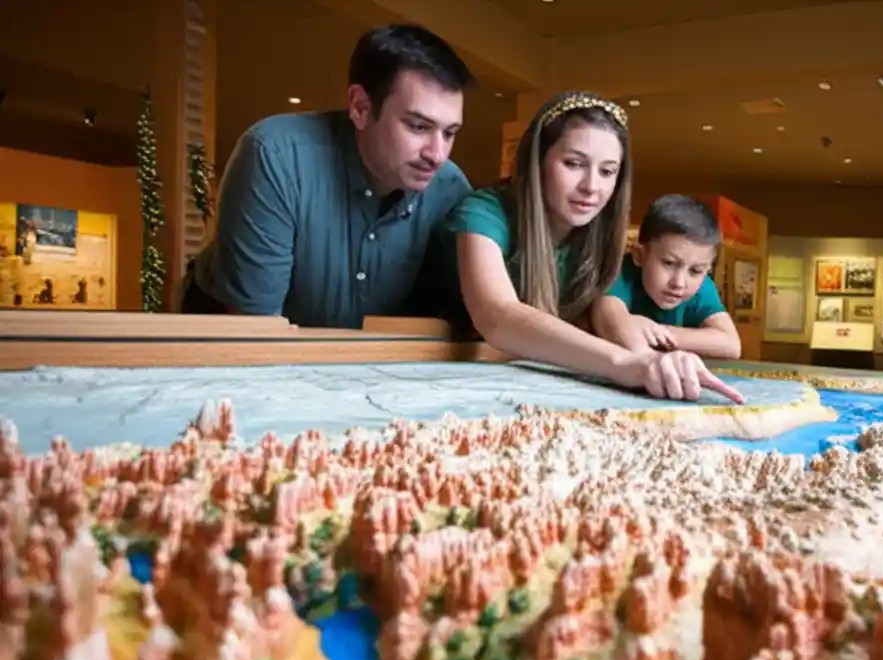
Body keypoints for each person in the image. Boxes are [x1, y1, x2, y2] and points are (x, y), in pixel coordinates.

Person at [422, 91, 744, 404]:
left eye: (607, 172)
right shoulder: (484, 211)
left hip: (525, 376)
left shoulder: (600, 238)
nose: (591, 187)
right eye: (574, 164)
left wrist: (646, 350)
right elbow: (497, 316)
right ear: (538, 161)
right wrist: (630, 363)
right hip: (432, 365)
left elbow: (605, 315)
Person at [180, 24, 473, 329]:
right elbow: (253, 334)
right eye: (418, 126)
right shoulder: (276, 156)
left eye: (450, 132)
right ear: (360, 108)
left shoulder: (451, 192)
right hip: (228, 341)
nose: (437, 154)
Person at [591, 194, 741, 359]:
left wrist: (657, 332)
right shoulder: (618, 271)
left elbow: (731, 345)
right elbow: (610, 321)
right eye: (669, 263)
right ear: (640, 255)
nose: (679, 282)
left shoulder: (703, 287)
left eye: (696, 271)